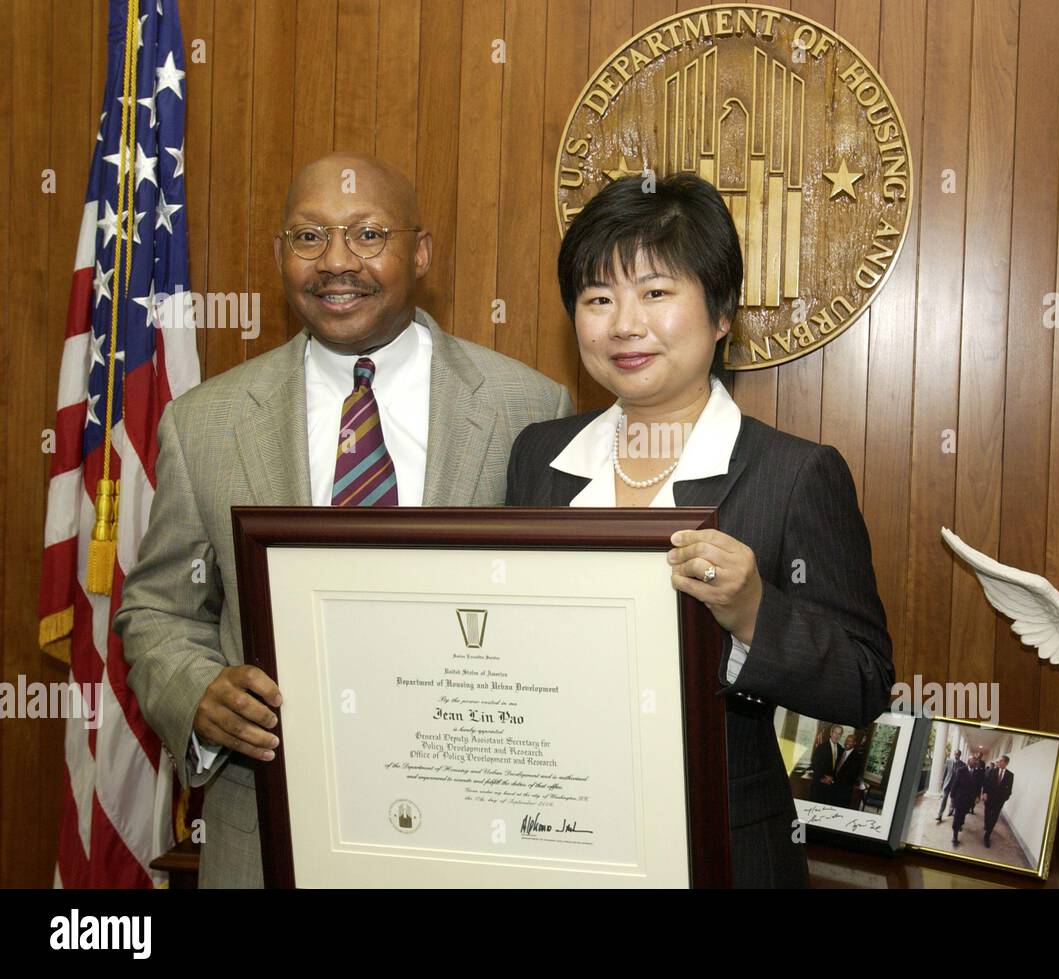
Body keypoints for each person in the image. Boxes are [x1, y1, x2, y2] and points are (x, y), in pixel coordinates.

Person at [114, 153, 572, 888]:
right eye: (308, 237)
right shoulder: (204, 423)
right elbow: (157, 607)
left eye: (367, 235)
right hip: (266, 834)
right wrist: (197, 689)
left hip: (474, 836)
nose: (335, 262)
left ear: (419, 254)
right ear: (279, 254)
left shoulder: (529, 407)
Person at [505, 172, 895, 887]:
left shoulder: (795, 474)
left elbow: (865, 685)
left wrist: (755, 615)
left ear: (721, 314)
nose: (624, 322)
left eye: (656, 292)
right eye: (598, 298)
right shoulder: (539, 456)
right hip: (550, 840)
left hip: (724, 852)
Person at [981, 755, 1015, 848]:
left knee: (994, 817)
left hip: (999, 801)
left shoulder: (1010, 775)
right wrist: (984, 793)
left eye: (1001, 761)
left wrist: (1005, 798)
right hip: (989, 798)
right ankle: (987, 825)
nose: (998, 762)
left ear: (1006, 763)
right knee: (987, 814)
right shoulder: (992, 771)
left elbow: (1009, 790)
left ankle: (987, 835)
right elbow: (986, 783)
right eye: (999, 761)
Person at [949, 755, 982, 846]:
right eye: (973, 760)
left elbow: (978, 786)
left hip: (969, 799)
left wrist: (977, 796)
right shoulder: (961, 770)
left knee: (963, 814)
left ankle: (960, 824)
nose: (975, 762)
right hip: (959, 798)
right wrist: (952, 796)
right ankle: (955, 837)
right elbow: (955, 783)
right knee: (957, 816)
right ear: (968, 761)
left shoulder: (977, 773)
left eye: (976, 761)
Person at [810, 725, 846, 805]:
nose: (836, 736)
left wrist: (833, 779)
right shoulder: (821, 747)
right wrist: (824, 777)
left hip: (832, 787)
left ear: (841, 736)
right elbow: (814, 765)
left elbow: (840, 769)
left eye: (839, 734)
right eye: (835, 733)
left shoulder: (841, 750)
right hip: (820, 785)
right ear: (831, 733)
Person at [936, 748, 962, 822]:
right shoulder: (949, 761)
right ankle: (939, 815)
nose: (957, 755)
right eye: (956, 754)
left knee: (953, 800)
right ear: (954, 754)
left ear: (960, 755)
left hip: (955, 786)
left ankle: (951, 810)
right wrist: (942, 781)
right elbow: (945, 772)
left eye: (958, 754)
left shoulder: (962, 764)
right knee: (944, 799)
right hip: (947, 784)